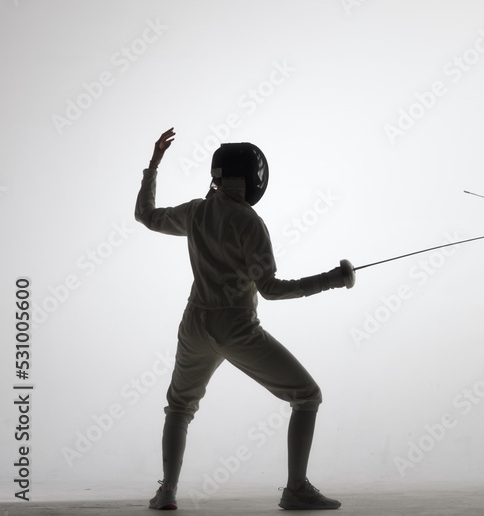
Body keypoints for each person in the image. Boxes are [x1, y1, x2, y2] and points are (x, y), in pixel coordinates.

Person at [135, 128, 354, 510]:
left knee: (180, 407)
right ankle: (296, 489)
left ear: (218, 176)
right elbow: (269, 289)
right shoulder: (250, 222)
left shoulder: (196, 211)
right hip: (236, 327)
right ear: (250, 179)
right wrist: (331, 281)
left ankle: (166, 493)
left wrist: (153, 165)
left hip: (194, 325)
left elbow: (145, 215)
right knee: (307, 396)